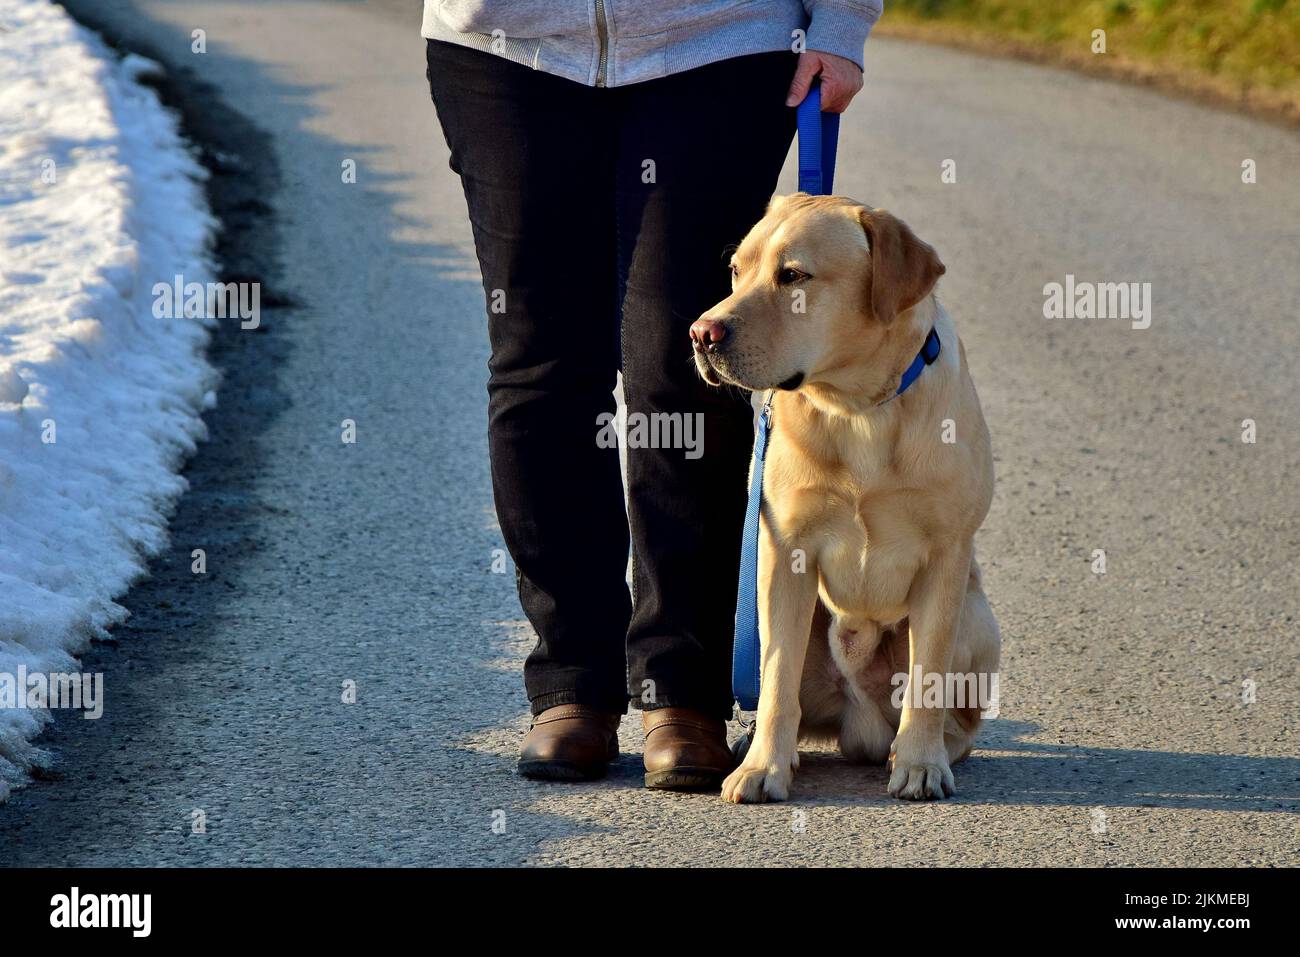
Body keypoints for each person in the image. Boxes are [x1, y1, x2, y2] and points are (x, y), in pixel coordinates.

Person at [424, 0, 881, 790]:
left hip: (716, 41)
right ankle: (570, 686)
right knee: (541, 365)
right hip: (506, 47)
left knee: (684, 364)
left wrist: (840, 24)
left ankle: (682, 692)